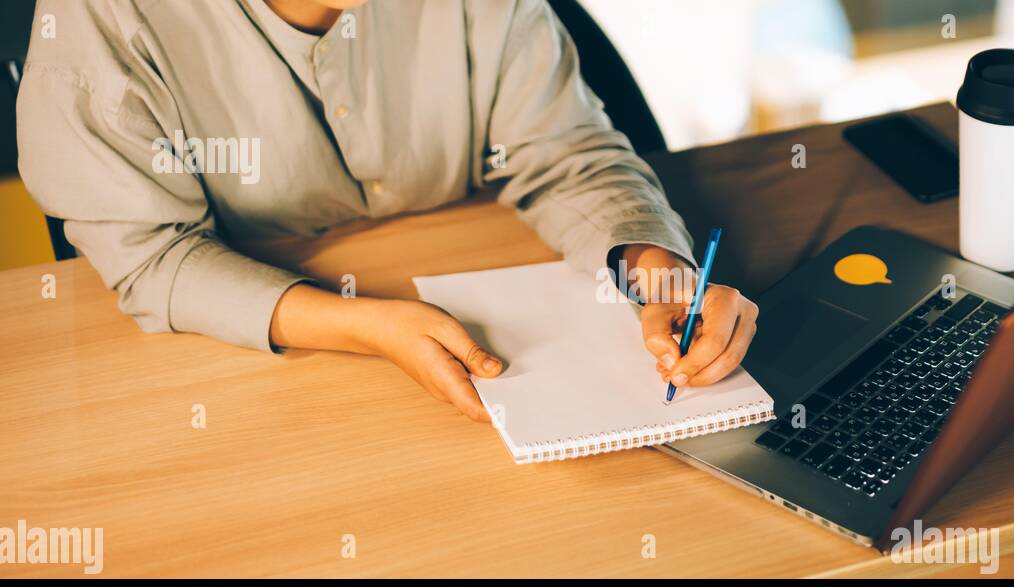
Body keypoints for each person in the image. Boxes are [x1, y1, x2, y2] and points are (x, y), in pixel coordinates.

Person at [18, 0, 758, 422]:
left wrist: (656, 270)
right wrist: (367, 325)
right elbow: (154, 257)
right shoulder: (103, 20)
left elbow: (563, 150)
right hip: (227, 390)